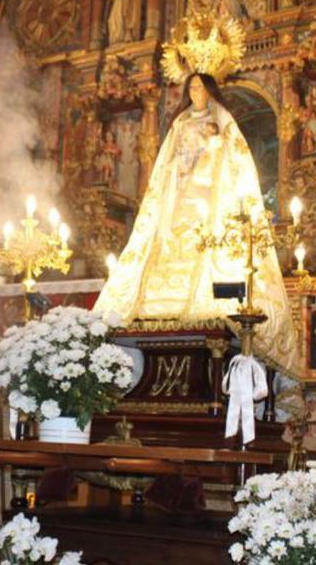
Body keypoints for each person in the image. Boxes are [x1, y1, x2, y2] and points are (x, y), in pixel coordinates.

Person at [95, 72, 299, 375]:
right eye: (190, 87)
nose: (195, 91)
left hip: (210, 197)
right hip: (181, 192)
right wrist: (182, 167)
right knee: (168, 242)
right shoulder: (180, 123)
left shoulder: (224, 120)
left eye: (200, 86)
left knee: (209, 248)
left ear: (210, 90)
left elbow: (235, 161)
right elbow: (167, 162)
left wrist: (213, 146)